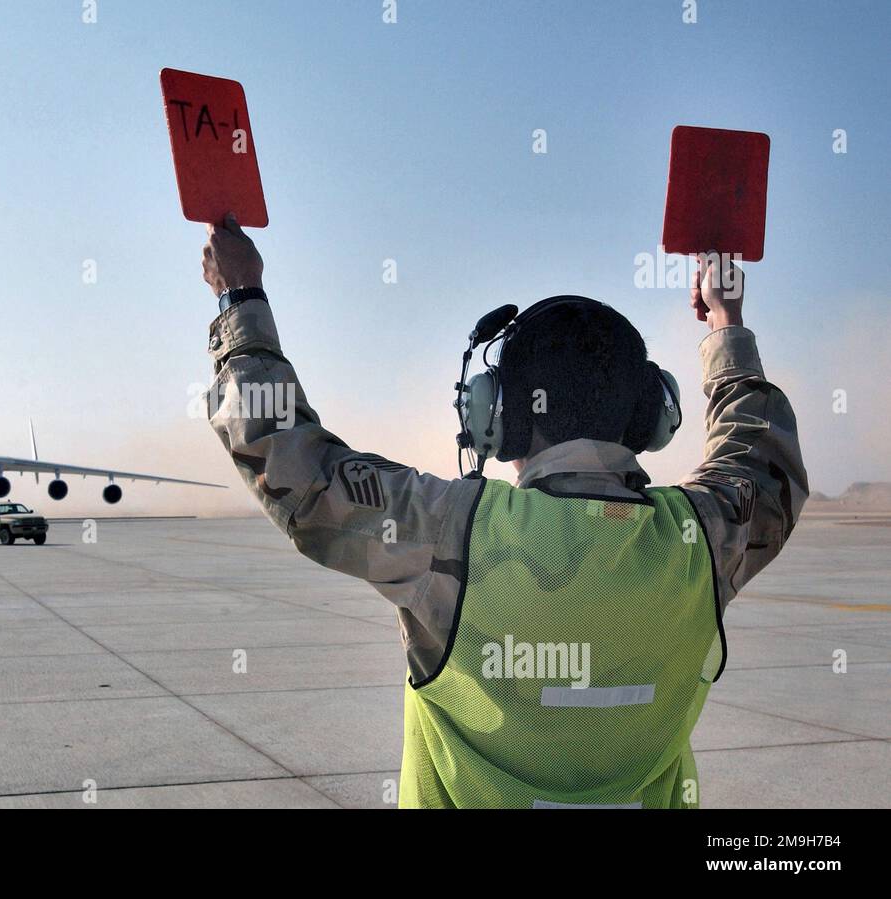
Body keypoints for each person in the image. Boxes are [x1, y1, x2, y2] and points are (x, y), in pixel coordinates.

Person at [199, 214, 807, 808]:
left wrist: (240, 298)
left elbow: (293, 466)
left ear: (494, 417)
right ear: (652, 416)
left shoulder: (453, 531)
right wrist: (727, 320)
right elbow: (761, 451)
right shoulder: (701, 540)